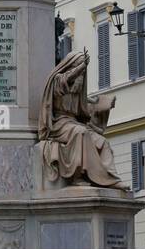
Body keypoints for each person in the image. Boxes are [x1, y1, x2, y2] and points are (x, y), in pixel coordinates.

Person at [38, 49, 123, 187]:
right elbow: (66, 79)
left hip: (72, 123)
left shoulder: (79, 92)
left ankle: (111, 179)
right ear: (70, 66)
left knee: (102, 142)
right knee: (80, 133)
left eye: (83, 73)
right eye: (78, 69)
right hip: (58, 124)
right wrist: (81, 67)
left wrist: (103, 107)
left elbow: (86, 112)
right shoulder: (57, 81)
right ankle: (77, 176)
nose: (81, 75)